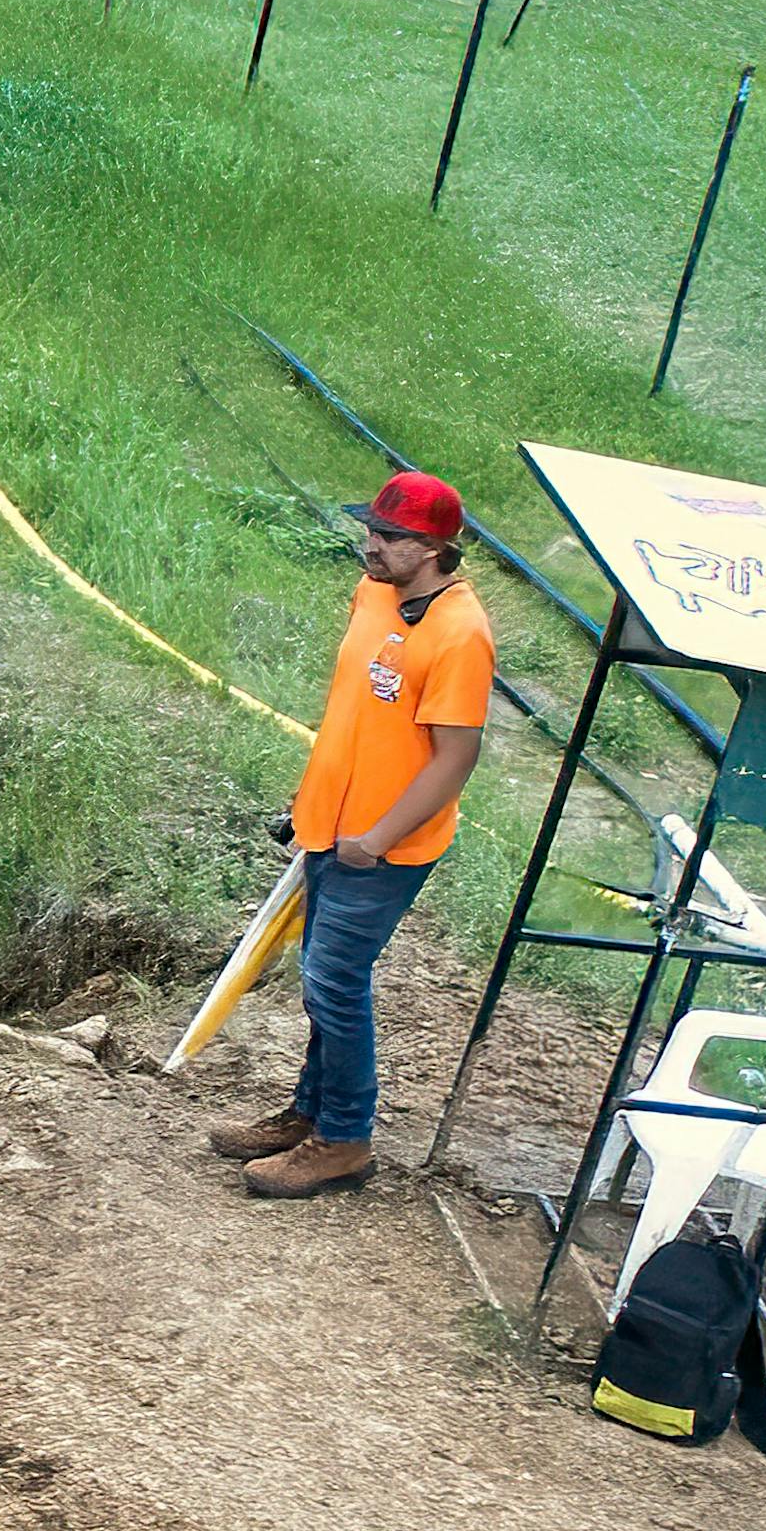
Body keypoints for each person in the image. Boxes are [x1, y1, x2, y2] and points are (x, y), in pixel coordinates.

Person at [211, 469, 492, 1203]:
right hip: (330, 827)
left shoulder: (460, 635)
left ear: (432, 549)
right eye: (371, 528)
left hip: (383, 847)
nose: (370, 544)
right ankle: (311, 1114)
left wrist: (375, 837)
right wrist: (315, 801)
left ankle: (344, 1141)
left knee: (334, 984)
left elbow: (456, 758)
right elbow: (361, 709)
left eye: (389, 537)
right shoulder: (374, 592)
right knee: (322, 981)